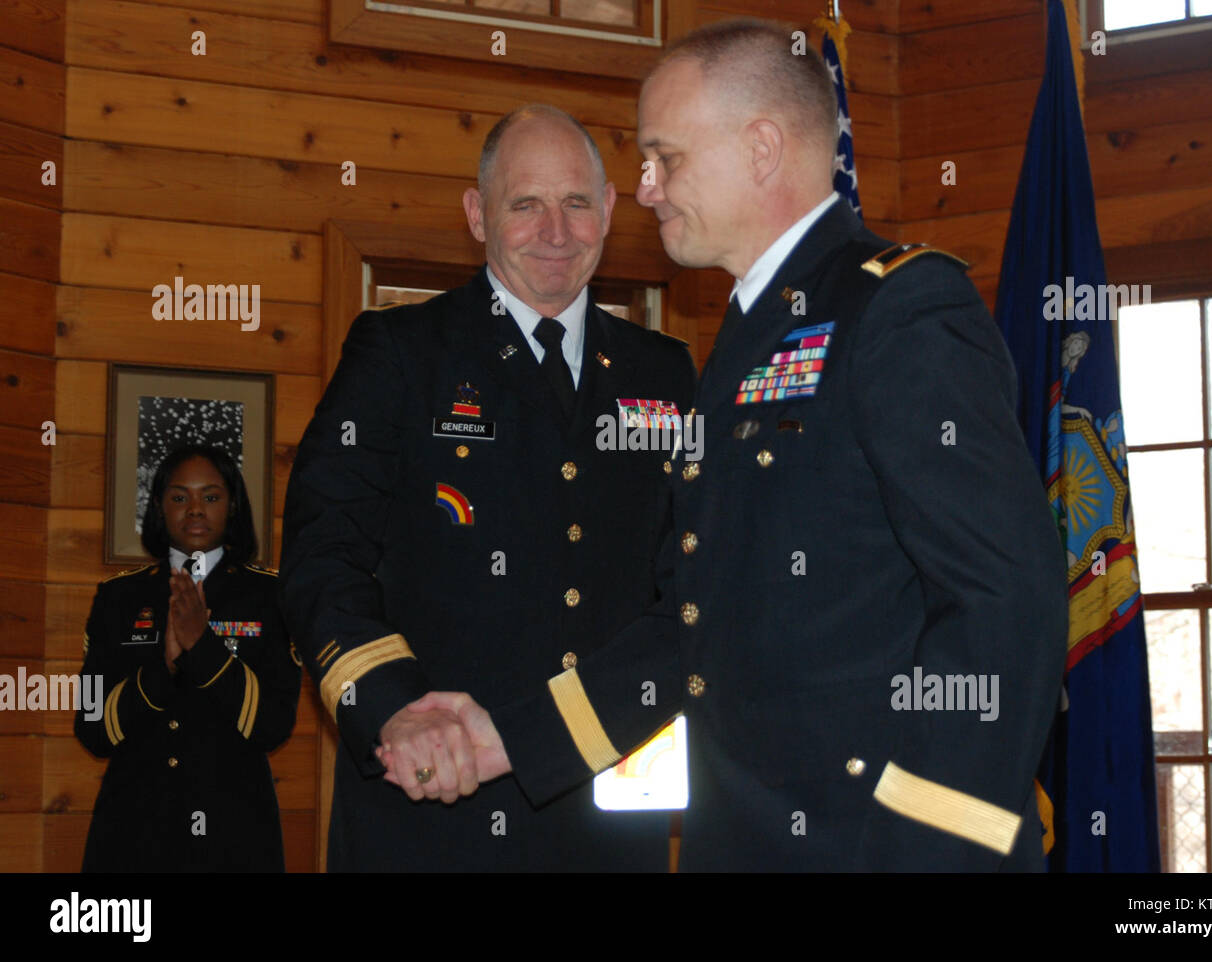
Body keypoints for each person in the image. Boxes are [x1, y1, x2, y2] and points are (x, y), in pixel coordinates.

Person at [446, 19, 1070, 871]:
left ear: (763, 148)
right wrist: (506, 741)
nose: (647, 187)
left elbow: (1006, 598)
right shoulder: (747, 336)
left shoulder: (900, 311)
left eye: (666, 156)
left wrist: (929, 843)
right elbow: (695, 624)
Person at [278, 103, 696, 871]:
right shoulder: (401, 354)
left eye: (576, 203)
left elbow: (693, 586)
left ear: (608, 210)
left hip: (607, 817)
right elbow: (322, 556)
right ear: (478, 215)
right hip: (435, 808)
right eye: (525, 205)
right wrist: (394, 712)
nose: (556, 232)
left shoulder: (665, 374)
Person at [76, 444, 301, 871]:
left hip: (234, 835)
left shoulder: (272, 596)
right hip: (134, 832)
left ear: (232, 506)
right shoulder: (117, 598)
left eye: (211, 496)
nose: (195, 509)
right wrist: (164, 670)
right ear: (160, 508)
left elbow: (273, 725)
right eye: (180, 497)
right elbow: (91, 727)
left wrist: (204, 649)